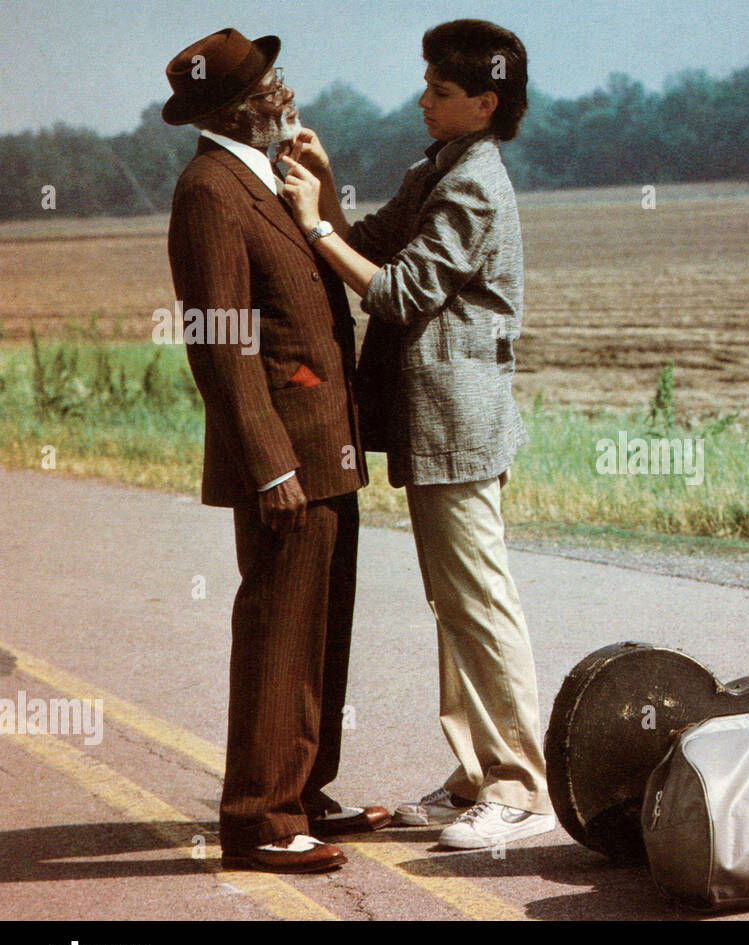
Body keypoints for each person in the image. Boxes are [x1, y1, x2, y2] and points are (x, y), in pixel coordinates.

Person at [279, 19, 554, 849]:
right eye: (427, 83)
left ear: (485, 103)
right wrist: (324, 190)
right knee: (454, 604)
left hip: (459, 428)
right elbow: (365, 241)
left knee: (480, 601)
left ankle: (522, 790)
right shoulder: (437, 166)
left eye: (440, 90)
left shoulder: (474, 185)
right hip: (434, 427)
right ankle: (476, 775)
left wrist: (315, 229)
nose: (422, 99)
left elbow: (396, 291)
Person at [162, 27, 390, 873]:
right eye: (270, 89)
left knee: (322, 630)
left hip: (327, 443)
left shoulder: (268, 176)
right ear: (231, 109)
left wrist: (320, 188)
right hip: (285, 455)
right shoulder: (209, 192)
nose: (285, 96)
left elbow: (336, 263)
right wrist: (269, 464)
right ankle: (259, 818)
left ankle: (305, 793)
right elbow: (220, 343)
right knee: (278, 632)